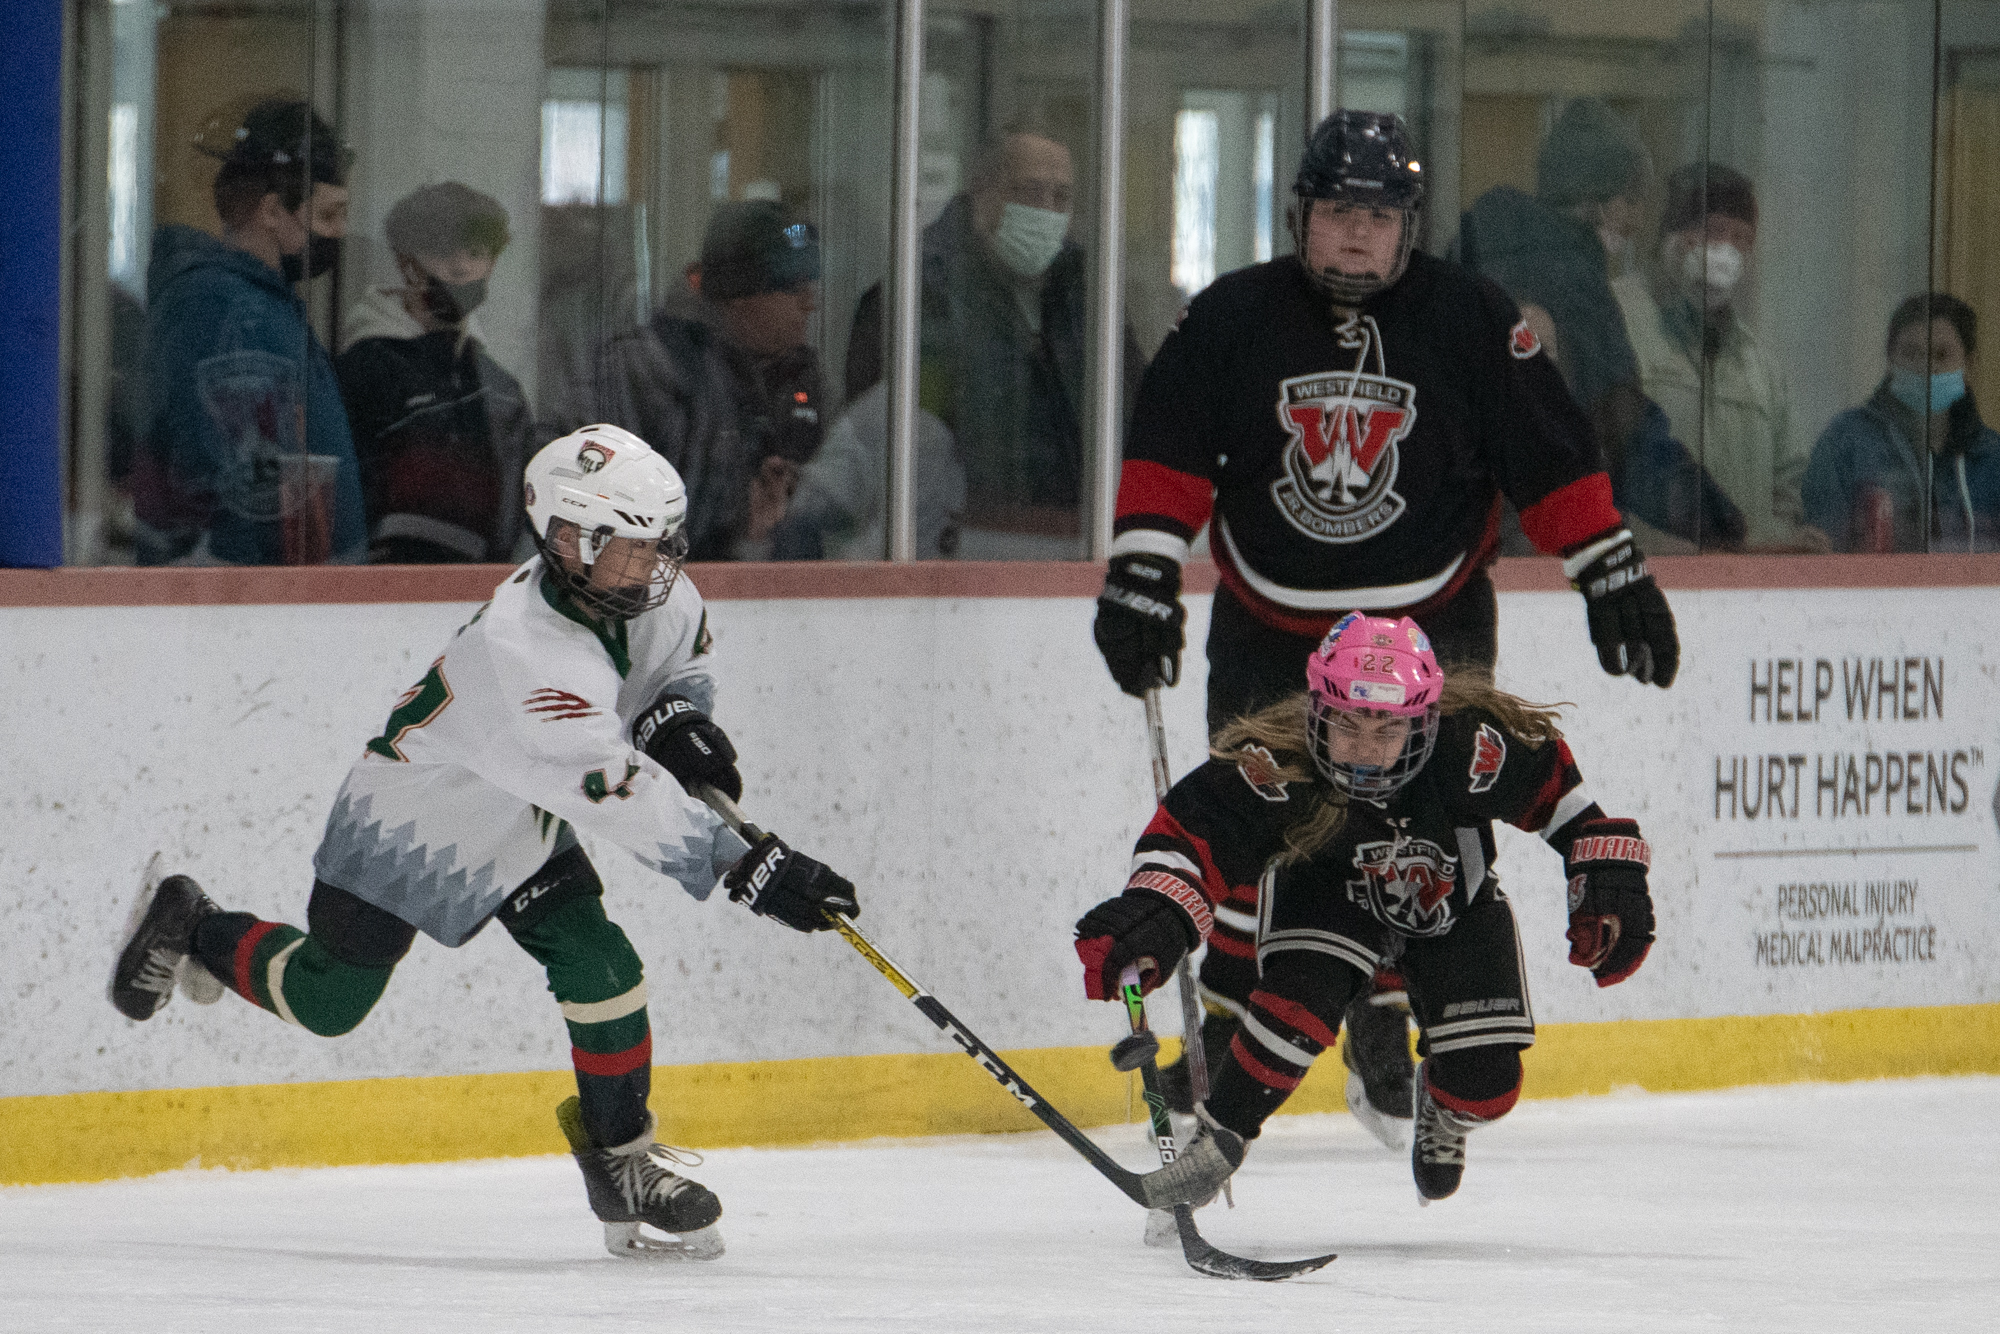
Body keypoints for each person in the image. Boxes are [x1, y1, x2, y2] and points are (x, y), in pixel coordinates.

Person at [109, 424, 861, 1260]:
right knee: (331, 1002)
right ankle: (197, 923)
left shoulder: (651, 592)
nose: (656, 565)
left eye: (661, 545)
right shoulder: (524, 651)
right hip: (415, 818)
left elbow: (676, 667)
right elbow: (618, 791)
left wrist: (682, 716)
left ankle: (624, 1160)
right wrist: (747, 866)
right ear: (572, 540)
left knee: (601, 966)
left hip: (523, 815)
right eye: (635, 548)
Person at [1091, 110, 1677, 1140]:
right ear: (1299, 217)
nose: (1355, 236)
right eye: (1335, 214)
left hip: (1431, 630)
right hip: (1270, 625)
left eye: (1377, 215)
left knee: (1426, 832)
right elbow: (1172, 443)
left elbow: (1547, 447)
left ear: (1408, 225)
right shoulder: (1232, 317)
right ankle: (1230, 1030)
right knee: (1256, 831)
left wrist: (1609, 568)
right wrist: (1142, 570)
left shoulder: (1467, 316)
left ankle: (1385, 1015)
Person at [1074, 613, 1655, 1207]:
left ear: (1425, 721)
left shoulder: (1471, 746)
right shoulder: (1275, 763)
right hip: (1323, 895)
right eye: (1348, 726)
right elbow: (1189, 838)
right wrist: (1155, 914)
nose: (1366, 750)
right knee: (1295, 1008)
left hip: (1447, 904)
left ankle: (1445, 1112)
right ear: (1317, 712)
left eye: (1387, 730)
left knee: (1488, 1087)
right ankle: (1215, 1146)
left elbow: (1568, 807)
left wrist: (1607, 880)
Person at [1457, 98, 1745, 552]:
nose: (1636, 220)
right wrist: (1721, 522)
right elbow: (1621, 426)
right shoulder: (1572, 285)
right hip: (1539, 540)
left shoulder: (1470, 258)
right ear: (1590, 200)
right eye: (1629, 200)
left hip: (1463, 539)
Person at [846, 120, 1142, 559]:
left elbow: (1138, 409)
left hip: (1081, 545)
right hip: (955, 550)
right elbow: (883, 440)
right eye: (1030, 191)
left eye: (1061, 196)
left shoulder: (1089, 296)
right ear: (982, 192)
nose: (1047, 210)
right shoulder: (916, 298)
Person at [134, 98, 366, 566]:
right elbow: (247, 495)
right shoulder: (232, 314)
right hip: (266, 611)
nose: (342, 232)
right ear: (273, 211)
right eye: (328, 215)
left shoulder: (258, 307)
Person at [551, 201, 824, 560]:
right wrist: (737, 517)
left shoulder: (786, 373)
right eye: (794, 290)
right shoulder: (646, 369)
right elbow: (609, 519)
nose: (810, 304)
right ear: (741, 295)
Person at [1613, 164, 1826, 551]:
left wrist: (1765, 545)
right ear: (1672, 235)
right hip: (1643, 578)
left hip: (1740, 593)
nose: (1727, 251)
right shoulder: (1615, 321)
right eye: (1714, 231)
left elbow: (1790, 483)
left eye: (1742, 239)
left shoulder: (1757, 364)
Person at [336, 183, 536, 562]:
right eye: (441, 253)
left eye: (476, 254)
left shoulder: (501, 388)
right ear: (405, 261)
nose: (460, 268)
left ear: (493, 262)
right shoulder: (363, 370)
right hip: (382, 595)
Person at [1803, 293, 2000, 552]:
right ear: (1889, 361)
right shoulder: (1846, 442)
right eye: (1911, 353)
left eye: (1942, 355)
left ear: (1969, 364)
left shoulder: (1992, 457)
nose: (1926, 367)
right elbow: (1821, 547)